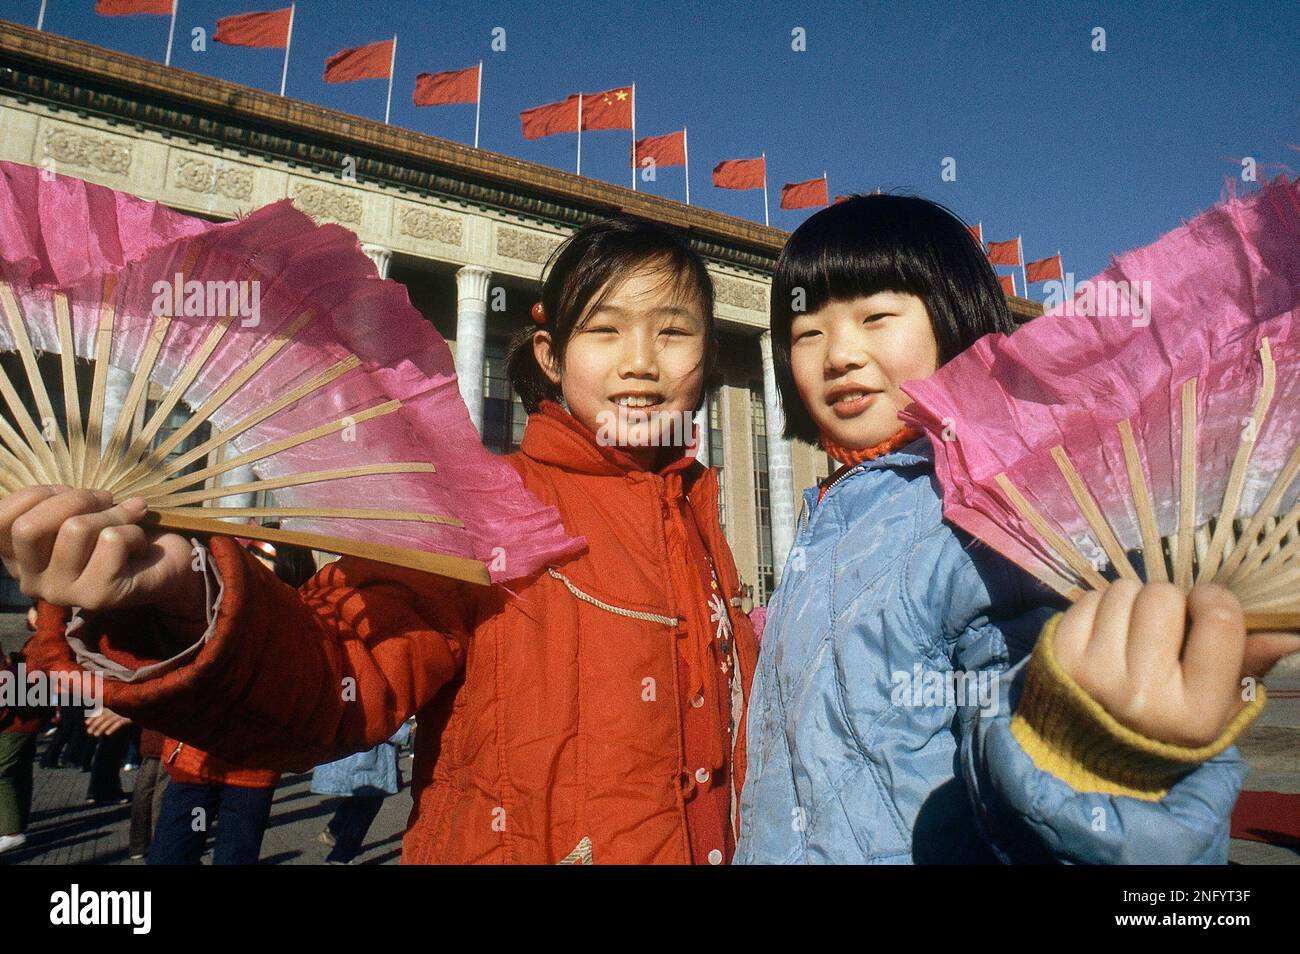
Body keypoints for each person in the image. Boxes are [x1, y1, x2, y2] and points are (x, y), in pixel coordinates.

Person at [11, 216, 755, 865]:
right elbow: (340, 672)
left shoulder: (703, 526)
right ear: (550, 356)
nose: (640, 362)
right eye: (605, 328)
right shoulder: (478, 512)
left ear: (709, 360)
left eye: (673, 330)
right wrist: (180, 600)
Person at [735, 193, 1300, 863]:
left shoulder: (985, 525)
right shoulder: (827, 518)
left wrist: (1099, 760)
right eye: (807, 333)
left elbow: (1018, 761)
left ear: (953, 320)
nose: (839, 355)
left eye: (876, 317)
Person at [312, 721, 412, 865]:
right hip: (367, 754)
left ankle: (334, 829)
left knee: (361, 796)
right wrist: (407, 731)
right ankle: (340, 857)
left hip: (354, 749)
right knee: (366, 807)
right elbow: (377, 718)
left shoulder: (349, 696)